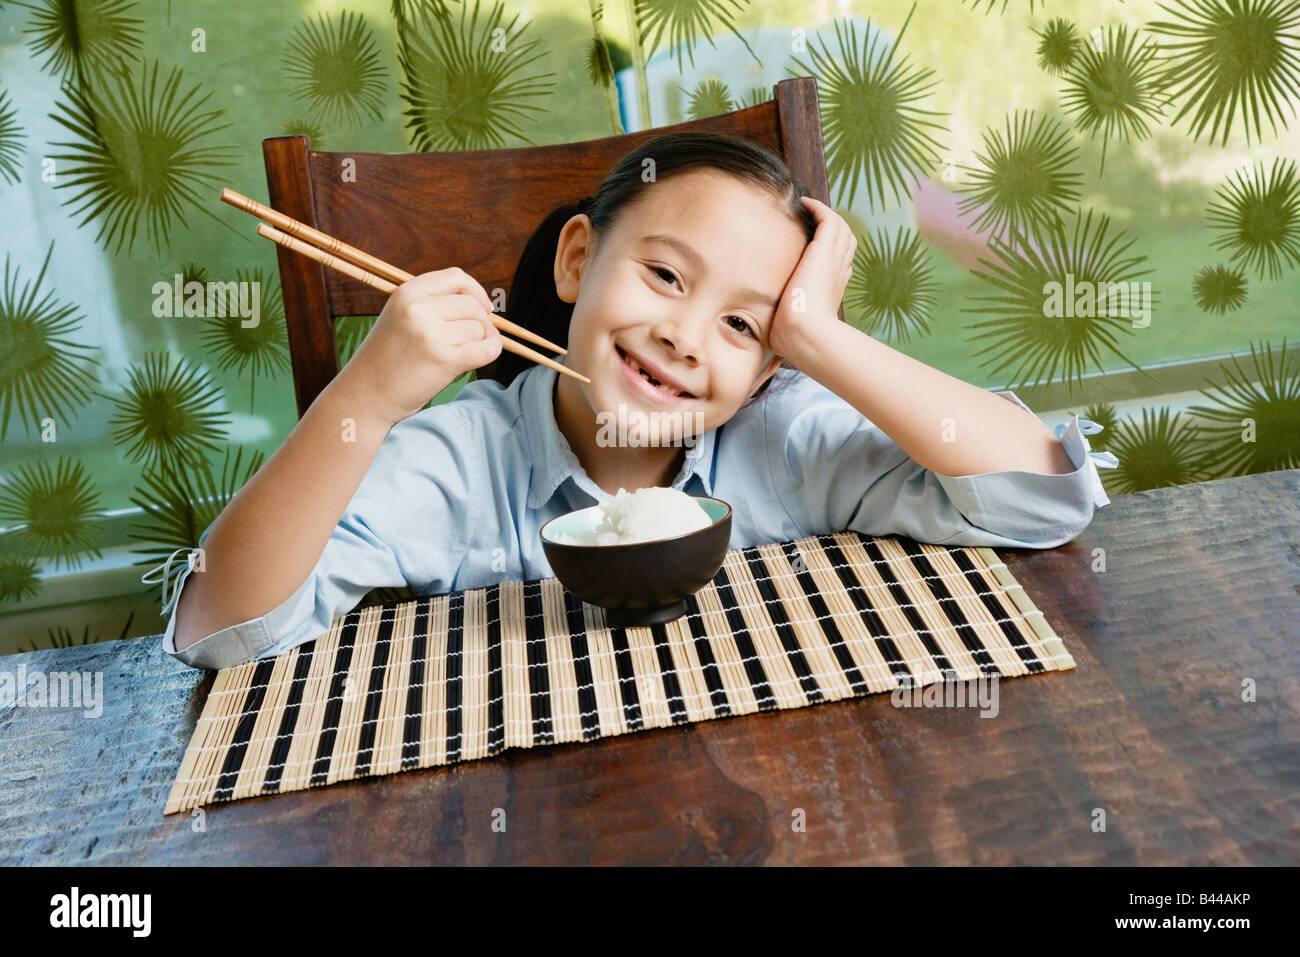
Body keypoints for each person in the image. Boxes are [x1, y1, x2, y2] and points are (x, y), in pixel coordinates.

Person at [162, 131, 1115, 671]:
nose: (686, 336)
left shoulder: (779, 443)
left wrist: (822, 339)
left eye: (746, 326)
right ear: (578, 260)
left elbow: (1041, 492)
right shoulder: (461, 460)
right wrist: (366, 397)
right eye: (664, 274)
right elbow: (219, 622)